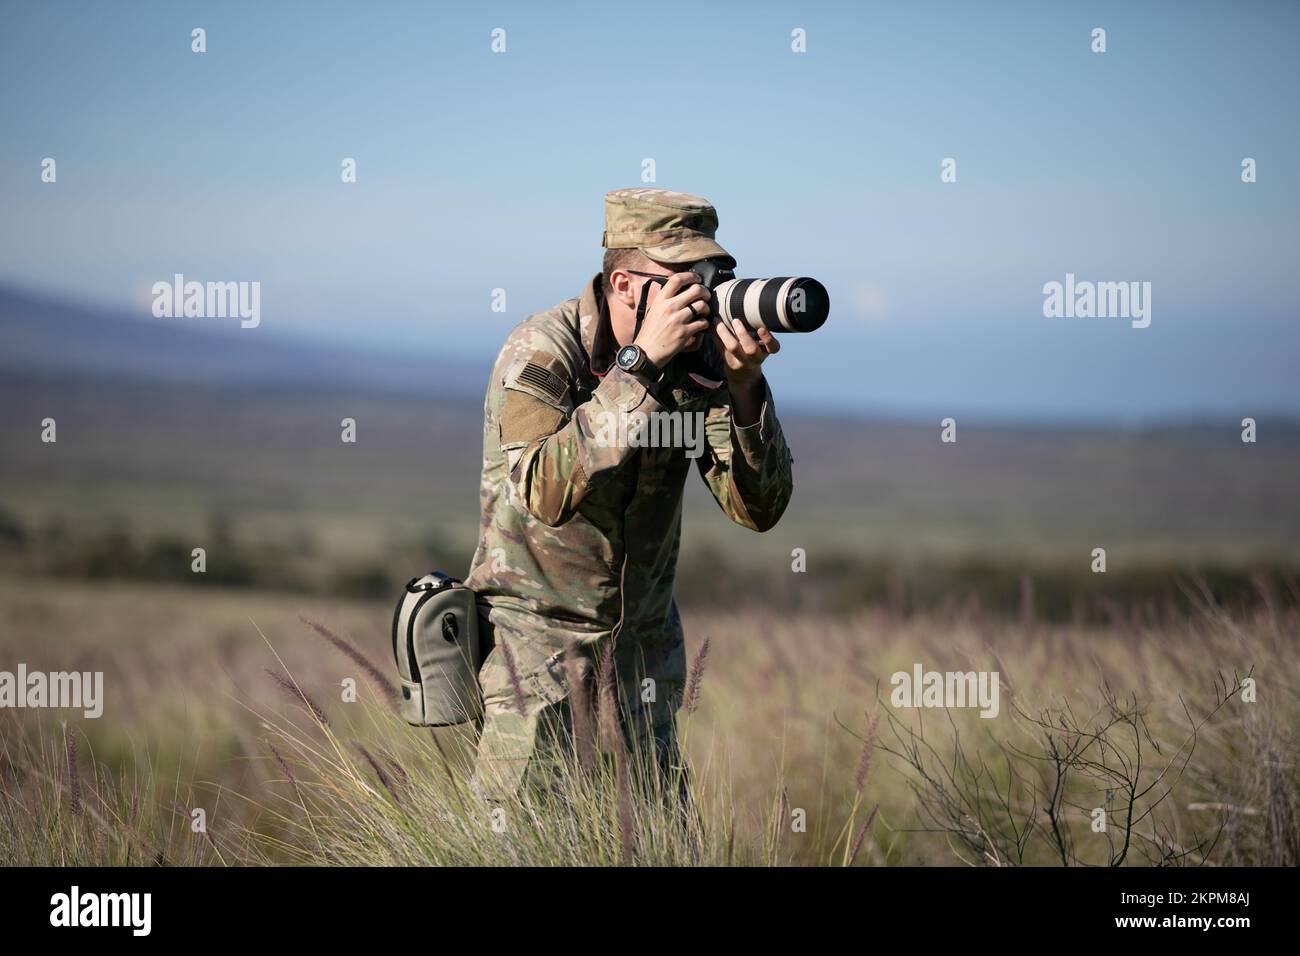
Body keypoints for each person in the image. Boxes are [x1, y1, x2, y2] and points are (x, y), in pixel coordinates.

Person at [465, 188, 794, 801]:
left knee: (655, 840)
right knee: (527, 839)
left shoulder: (700, 363)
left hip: (644, 661)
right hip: (538, 655)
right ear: (623, 284)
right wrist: (638, 370)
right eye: (682, 279)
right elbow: (541, 491)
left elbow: (759, 509)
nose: (701, 295)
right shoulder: (544, 350)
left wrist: (746, 387)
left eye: (711, 276)